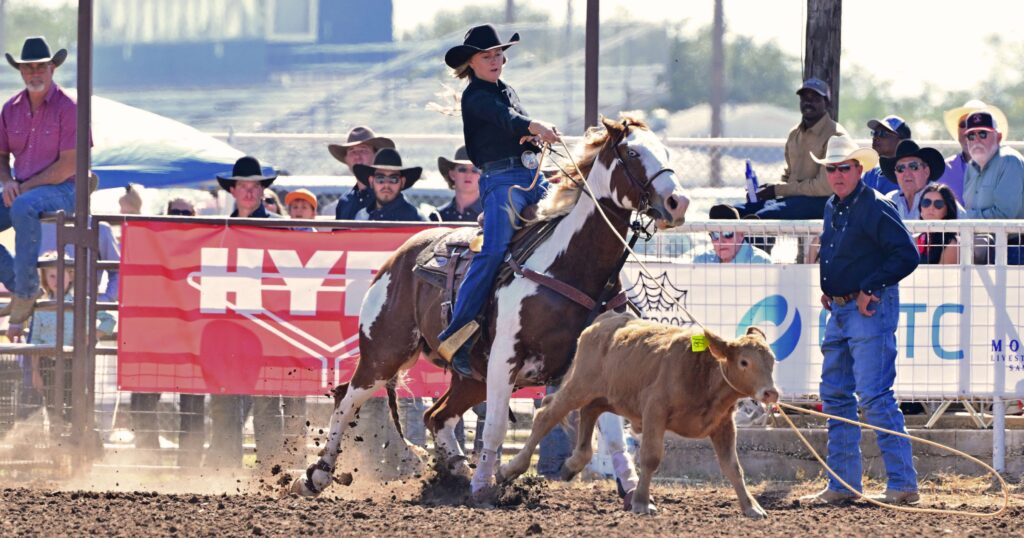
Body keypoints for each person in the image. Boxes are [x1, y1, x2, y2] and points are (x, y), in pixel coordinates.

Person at [437, 24, 561, 377]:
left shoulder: (506, 89)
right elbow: (507, 119)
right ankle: (456, 335)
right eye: (485, 56)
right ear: (472, 63)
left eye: (497, 54)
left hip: (530, 176)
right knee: (492, 250)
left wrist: (532, 140)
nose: (494, 60)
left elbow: (510, 125)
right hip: (502, 181)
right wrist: (534, 127)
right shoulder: (475, 95)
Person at [803, 134, 921, 506]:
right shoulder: (834, 206)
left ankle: (901, 482)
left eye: (844, 168)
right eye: (832, 169)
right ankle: (843, 483)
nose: (837, 174)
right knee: (836, 396)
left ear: (859, 169)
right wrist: (831, 287)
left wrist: (870, 286)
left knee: (873, 395)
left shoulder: (875, 205)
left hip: (867, 308)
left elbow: (906, 255)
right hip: (841, 309)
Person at [207, 156, 307, 469]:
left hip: (268, 326)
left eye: (255, 187)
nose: (249, 192)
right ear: (233, 190)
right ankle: (225, 471)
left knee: (267, 403)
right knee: (224, 401)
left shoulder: (278, 228)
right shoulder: (220, 230)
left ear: (261, 190)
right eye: (244, 187)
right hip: (229, 326)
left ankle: (270, 470)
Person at [0, 37, 87, 326]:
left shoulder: (69, 108)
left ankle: (24, 292)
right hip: (23, 187)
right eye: (28, 68)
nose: (34, 73)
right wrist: (7, 180)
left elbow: (68, 165)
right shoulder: (9, 108)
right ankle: (21, 287)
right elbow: (0, 156)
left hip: (65, 188)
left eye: (41, 67)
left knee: (24, 205)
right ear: (21, 72)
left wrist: (20, 188)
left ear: (52, 68)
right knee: (22, 203)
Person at [23, 251, 115, 437]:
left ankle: (83, 448)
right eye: (52, 275)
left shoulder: (82, 302)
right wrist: (35, 372)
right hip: (48, 365)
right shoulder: (41, 307)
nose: (56, 279)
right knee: (52, 409)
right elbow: (35, 343)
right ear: (45, 279)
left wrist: (91, 336)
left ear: (70, 275)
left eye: (61, 274)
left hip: (74, 364)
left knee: (77, 409)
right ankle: (58, 451)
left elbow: (109, 320)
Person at [733, 78, 848, 220]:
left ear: (827, 103)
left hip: (825, 202)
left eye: (815, 98)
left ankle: (761, 239)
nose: (808, 102)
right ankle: (735, 234)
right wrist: (767, 191)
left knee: (763, 216)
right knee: (738, 211)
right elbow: (789, 176)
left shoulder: (835, 135)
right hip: (795, 200)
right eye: (804, 98)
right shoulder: (794, 134)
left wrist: (777, 190)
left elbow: (825, 187)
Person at [939, 100, 1009, 203]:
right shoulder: (943, 170)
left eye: (981, 127)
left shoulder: (1009, 167)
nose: (970, 129)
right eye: (964, 124)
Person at [326, 126, 396, 219]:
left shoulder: (391, 198)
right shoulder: (345, 202)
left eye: (363, 150)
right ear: (346, 159)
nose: (357, 156)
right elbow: (338, 233)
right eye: (352, 151)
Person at [351, 148, 427, 222]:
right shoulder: (361, 218)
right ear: (371, 181)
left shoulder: (417, 220)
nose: (386, 184)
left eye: (393, 179)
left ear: (402, 182)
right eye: (380, 179)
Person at [880, 139, 945, 221]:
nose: (907, 173)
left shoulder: (942, 197)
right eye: (900, 168)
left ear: (926, 171)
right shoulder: (890, 200)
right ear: (896, 174)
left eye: (913, 166)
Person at [693, 205, 772, 263]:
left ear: (741, 234)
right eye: (715, 235)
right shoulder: (701, 262)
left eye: (727, 233)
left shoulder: (760, 262)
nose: (721, 241)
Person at [430, 145, 482, 222]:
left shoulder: (491, 216)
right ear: (452, 174)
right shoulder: (438, 217)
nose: (468, 174)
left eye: (475, 170)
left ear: (482, 175)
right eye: (462, 169)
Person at [862, 116, 912, 195]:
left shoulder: (910, 177)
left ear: (902, 140)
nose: (875, 138)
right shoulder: (870, 174)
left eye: (883, 133)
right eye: (874, 133)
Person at [916, 183, 960, 265]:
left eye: (938, 204)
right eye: (926, 202)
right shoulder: (916, 238)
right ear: (920, 208)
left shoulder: (951, 243)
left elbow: (945, 277)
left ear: (947, 210)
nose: (931, 208)